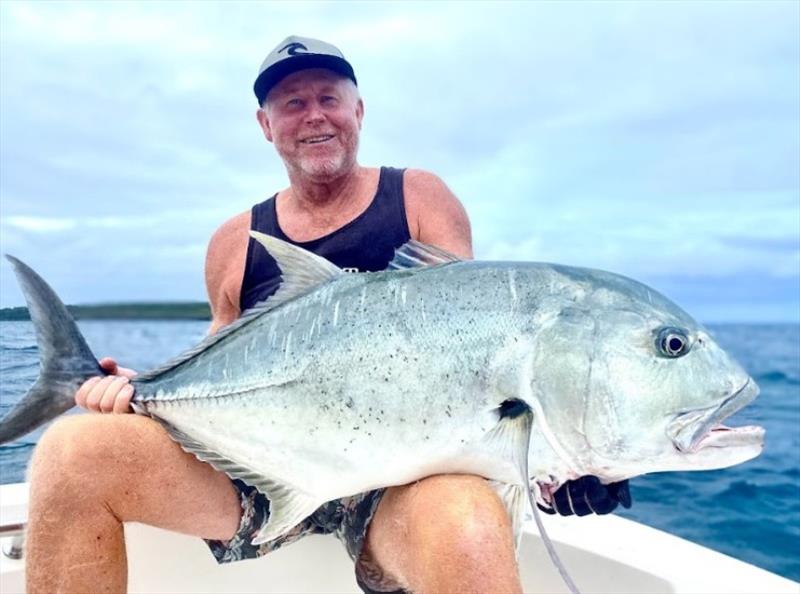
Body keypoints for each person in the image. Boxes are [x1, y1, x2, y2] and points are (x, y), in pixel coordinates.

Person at [25, 35, 630, 594]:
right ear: (266, 125)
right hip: (261, 471)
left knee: (468, 524)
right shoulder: (236, 240)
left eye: (328, 98)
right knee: (70, 455)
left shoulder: (418, 197)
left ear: (358, 111)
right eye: (292, 103)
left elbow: (472, 351)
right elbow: (221, 354)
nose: (313, 116)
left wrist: (562, 457)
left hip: (398, 480)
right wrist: (143, 389)